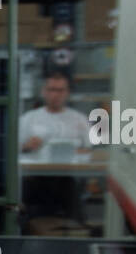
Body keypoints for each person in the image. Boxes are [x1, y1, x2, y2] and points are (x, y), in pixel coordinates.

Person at [18, 68, 90, 227]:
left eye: (60, 90)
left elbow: (90, 150)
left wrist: (76, 151)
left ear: (67, 92)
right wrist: (26, 146)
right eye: (51, 90)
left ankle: (76, 228)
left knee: (68, 186)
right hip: (35, 179)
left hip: (69, 179)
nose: (55, 94)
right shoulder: (28, 119)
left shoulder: (80, 119)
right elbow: (14, 151)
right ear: (43, 92)